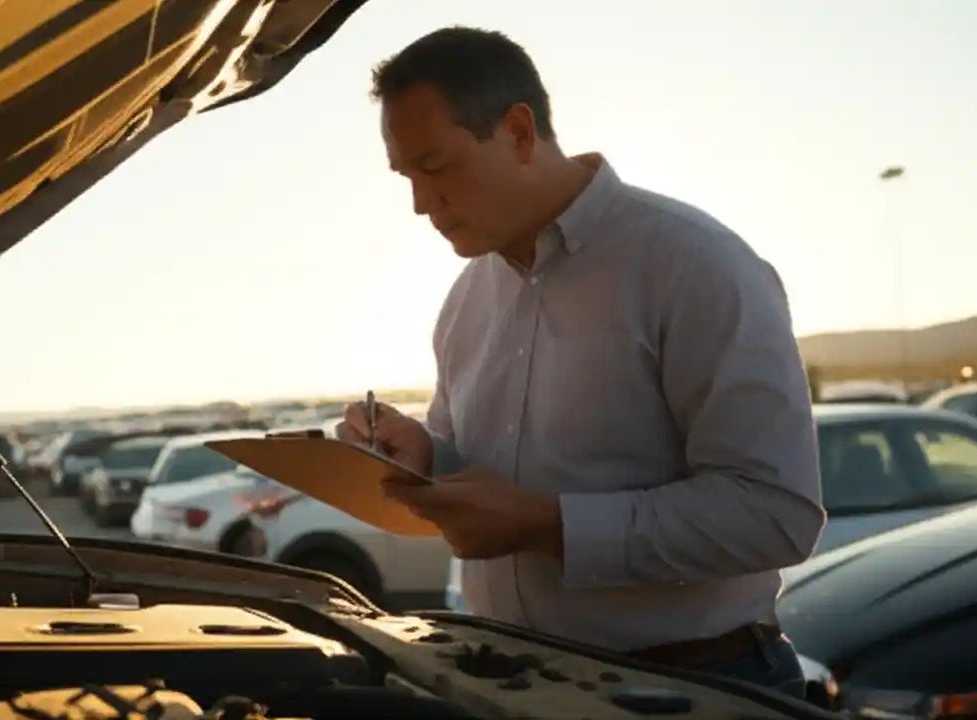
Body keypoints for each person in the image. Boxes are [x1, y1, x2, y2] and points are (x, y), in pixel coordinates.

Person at [337, 26, 825, 697]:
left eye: (437, 166)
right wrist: (425, 457)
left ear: (516, 131)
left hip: (693, 687)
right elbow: (497, 485)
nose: (421, 204)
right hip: (514, 682)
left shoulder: (696, 265)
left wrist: (546, 524)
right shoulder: (464, 300)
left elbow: (776, 514)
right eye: (406, 177)